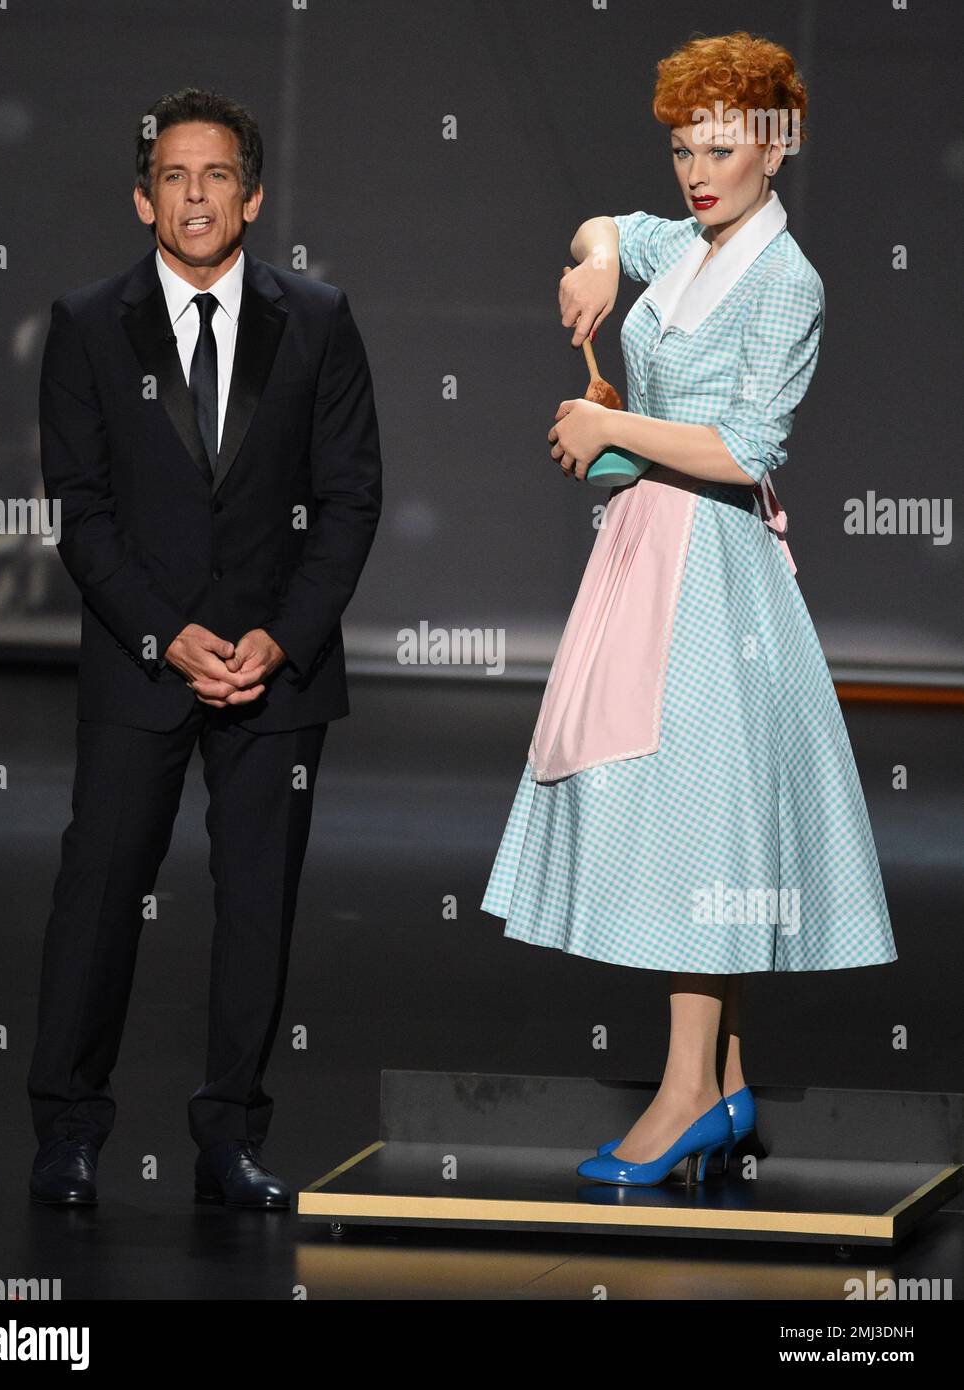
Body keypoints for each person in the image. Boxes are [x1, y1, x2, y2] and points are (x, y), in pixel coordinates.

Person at [481, 31, 895, 1187]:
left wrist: (612, 427)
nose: (696, 171)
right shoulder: (693, 245)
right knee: (683, 814)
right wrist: (600, 260)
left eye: (720, 147)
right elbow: (605, 228)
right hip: (644, 557)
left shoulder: (785, 280)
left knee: (704, 834)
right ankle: (720, 1085)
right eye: (681, 148)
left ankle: (680, 1096)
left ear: (777, 147)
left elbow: (746, 446)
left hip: (715, 573)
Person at [27, 88, 382, 1208]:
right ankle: (70, 1130)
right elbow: (80, 512)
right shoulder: (87, 323)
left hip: (279, 674)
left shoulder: (318, 318)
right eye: (174, 176)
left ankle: (229, 1137)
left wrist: (279, 638)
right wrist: (167, 636)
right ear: (143, 199)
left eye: (216, 174)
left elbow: (350, 500)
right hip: (142, 667)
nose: (195, 194)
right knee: (99, 894)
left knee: (257, 905)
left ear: (254, 194)